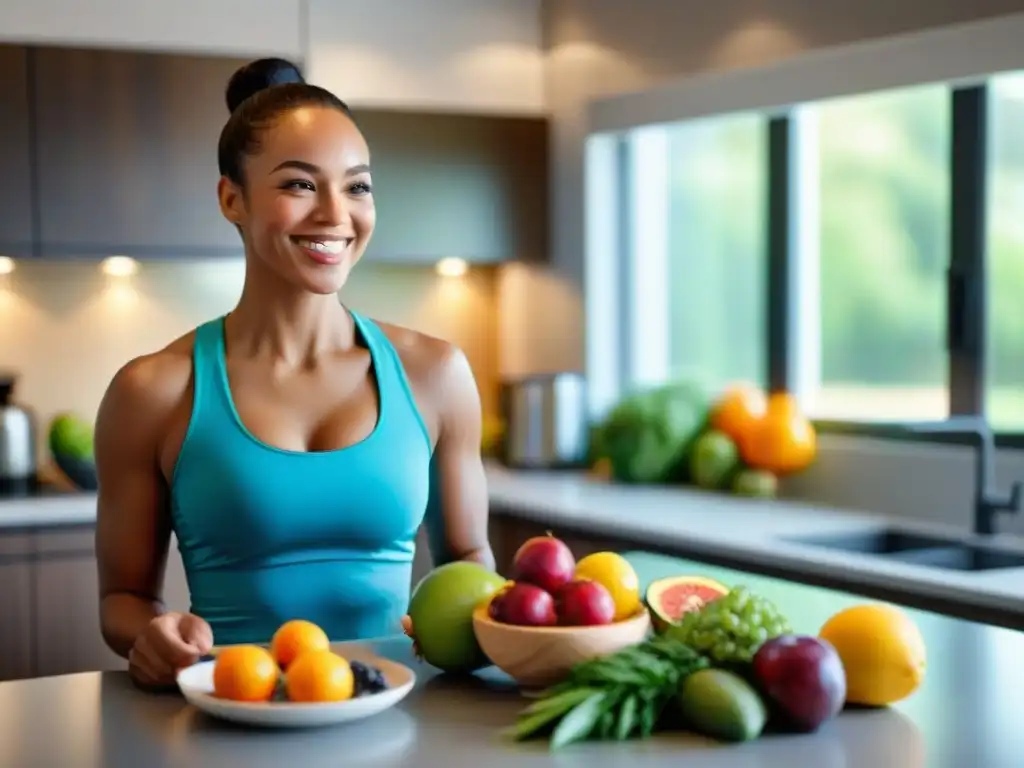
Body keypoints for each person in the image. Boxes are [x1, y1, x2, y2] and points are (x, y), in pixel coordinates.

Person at [93, 57, 495, 690]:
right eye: (300, 185)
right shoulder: (154, 391)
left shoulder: (436, 374)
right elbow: (121, 598)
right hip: (234, 709)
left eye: (357, 186)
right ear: (232, 198)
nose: (336, 214)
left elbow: (470, 560)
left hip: (396, 710)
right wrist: (150, 635)